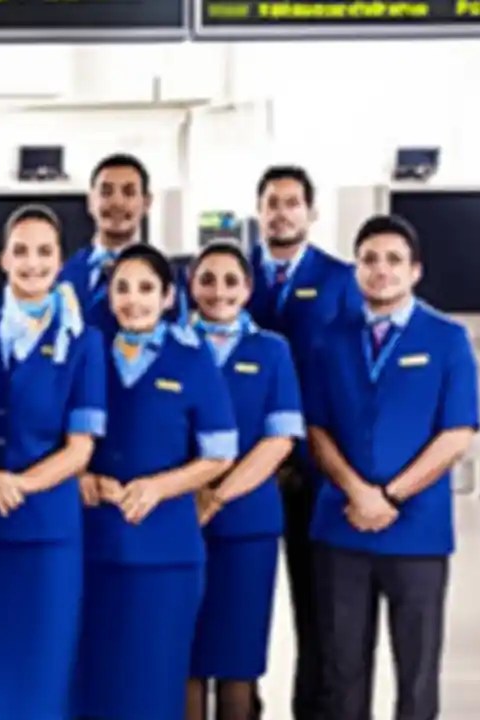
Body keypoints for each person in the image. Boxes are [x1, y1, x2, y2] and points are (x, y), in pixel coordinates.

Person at [304, 215, 479, 720]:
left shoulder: (447, 339)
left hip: (417, 534)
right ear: (355, 269)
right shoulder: (329, 339)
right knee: (341, 673)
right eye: (369, 259)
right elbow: (316, 428)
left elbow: (457, 434)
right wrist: (357, 492)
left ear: (416, 271)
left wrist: (391, 496)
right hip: (342, 527)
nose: (381, 270)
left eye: (393, 260)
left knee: (417, 675)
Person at [0, 205, 106, 720]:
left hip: (47, 534)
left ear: (60, 261)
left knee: (42, 672)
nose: (33, 263)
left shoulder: (83, 337)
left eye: (45, 252)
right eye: (22, 251)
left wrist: (11, 488)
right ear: (2, 257)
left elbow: (80, 448)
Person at [77, 244, 237, 720]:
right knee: (94, 678)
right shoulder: (89, 354)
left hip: (167, 547)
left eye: (146, 289)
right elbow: (65, 436)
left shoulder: (192, 360)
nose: (133, 300)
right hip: (93, 541)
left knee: (155, 678)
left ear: (169, 297)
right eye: (122, 288)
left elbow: (219, 453)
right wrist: (82, 475)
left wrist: (158, 488)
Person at [246, 165, 362, 719]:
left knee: (318, 608)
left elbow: (349, 378)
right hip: (241, 470)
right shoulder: (230, 277)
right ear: (258, 210)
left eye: (292, 202)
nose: (281, 212)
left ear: (312, 213)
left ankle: (312, 710)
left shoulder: (342, 282)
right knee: (237, 600)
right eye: (272, 202)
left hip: (317, 471)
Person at [184, 243, 305, 720]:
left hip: (247, 525)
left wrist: (215, 494)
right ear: (190, 286)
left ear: (249, 289)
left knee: (238, 660)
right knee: (187, 658)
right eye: (207, 280)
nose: (219, 292)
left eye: (231, 281)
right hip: (179, 521)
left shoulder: (272, 351)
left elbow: (280, 439)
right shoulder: (170, 345)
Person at [58, 153, 188, 333]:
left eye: (128, 192)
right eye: (106, 192)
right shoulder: (63, 273)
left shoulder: (168, 275)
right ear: (90, 201)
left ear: (146, 203)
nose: (117, 202)